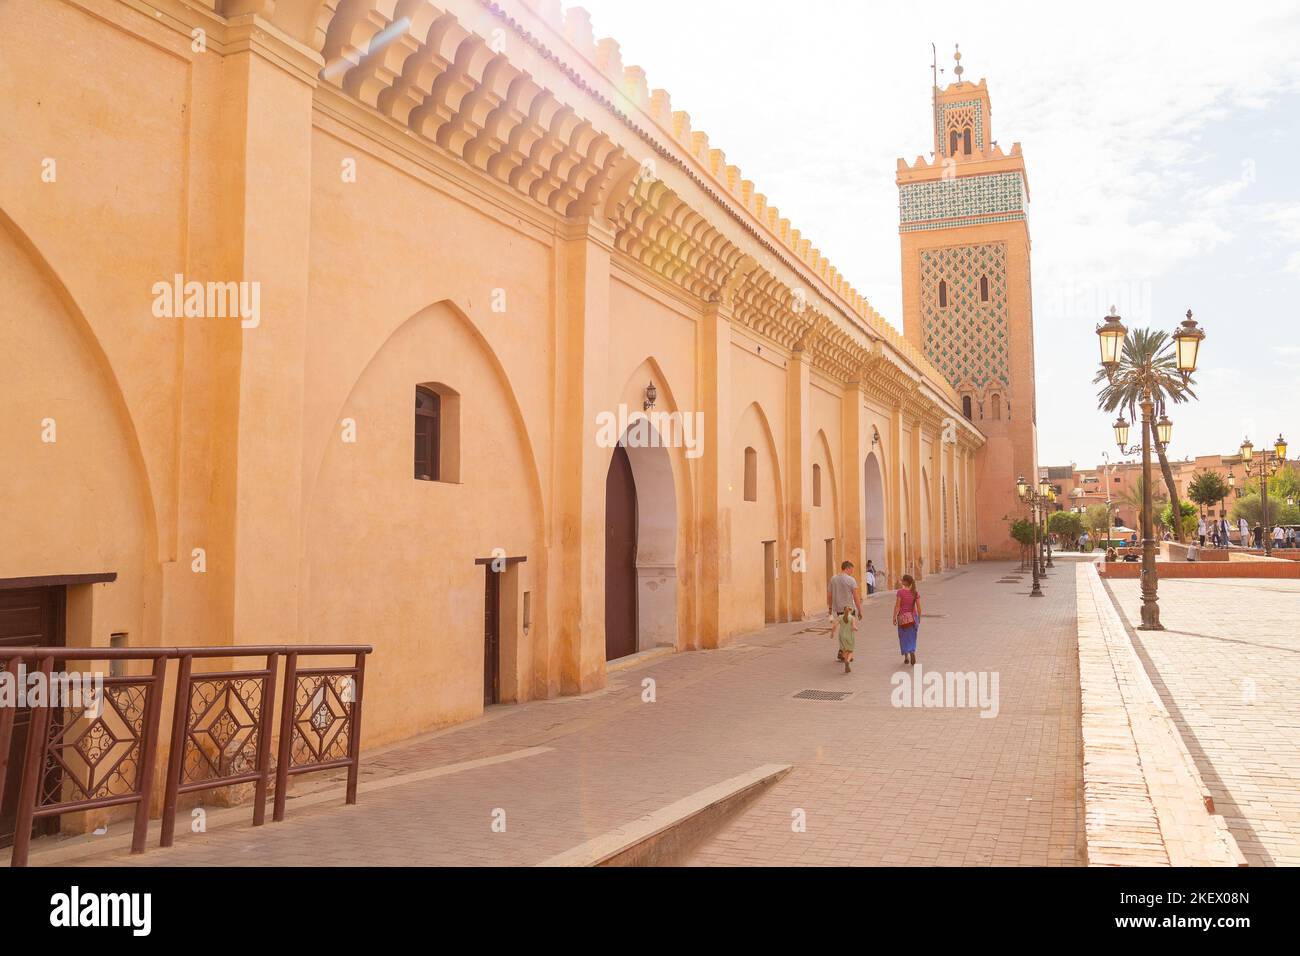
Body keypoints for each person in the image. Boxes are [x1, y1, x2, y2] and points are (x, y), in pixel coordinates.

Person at [827, 560, 863, 674]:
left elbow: (829, 595)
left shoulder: (833, 579)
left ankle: (841, 651)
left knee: (842, 630)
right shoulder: (851, 580)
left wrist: (829, 608)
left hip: (838, 610)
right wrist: (859, 610)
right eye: (851, 569)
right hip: (849, 609)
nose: (852, 571)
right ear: (847, 568)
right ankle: (847, 653)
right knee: (850, 631)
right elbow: (856, 596)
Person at [892, 573, 921, 667]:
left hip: (903, 617)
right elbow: (919, 606)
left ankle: (906, 657)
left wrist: (894, 617)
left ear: (905, 582)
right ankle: (912, 650)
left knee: (903, 637)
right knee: (912, 637)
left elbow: (897, 606)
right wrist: (919, 617)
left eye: (902, 580)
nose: (901, 581)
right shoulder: (915, 592)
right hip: (913, 618)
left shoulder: (900, 592)